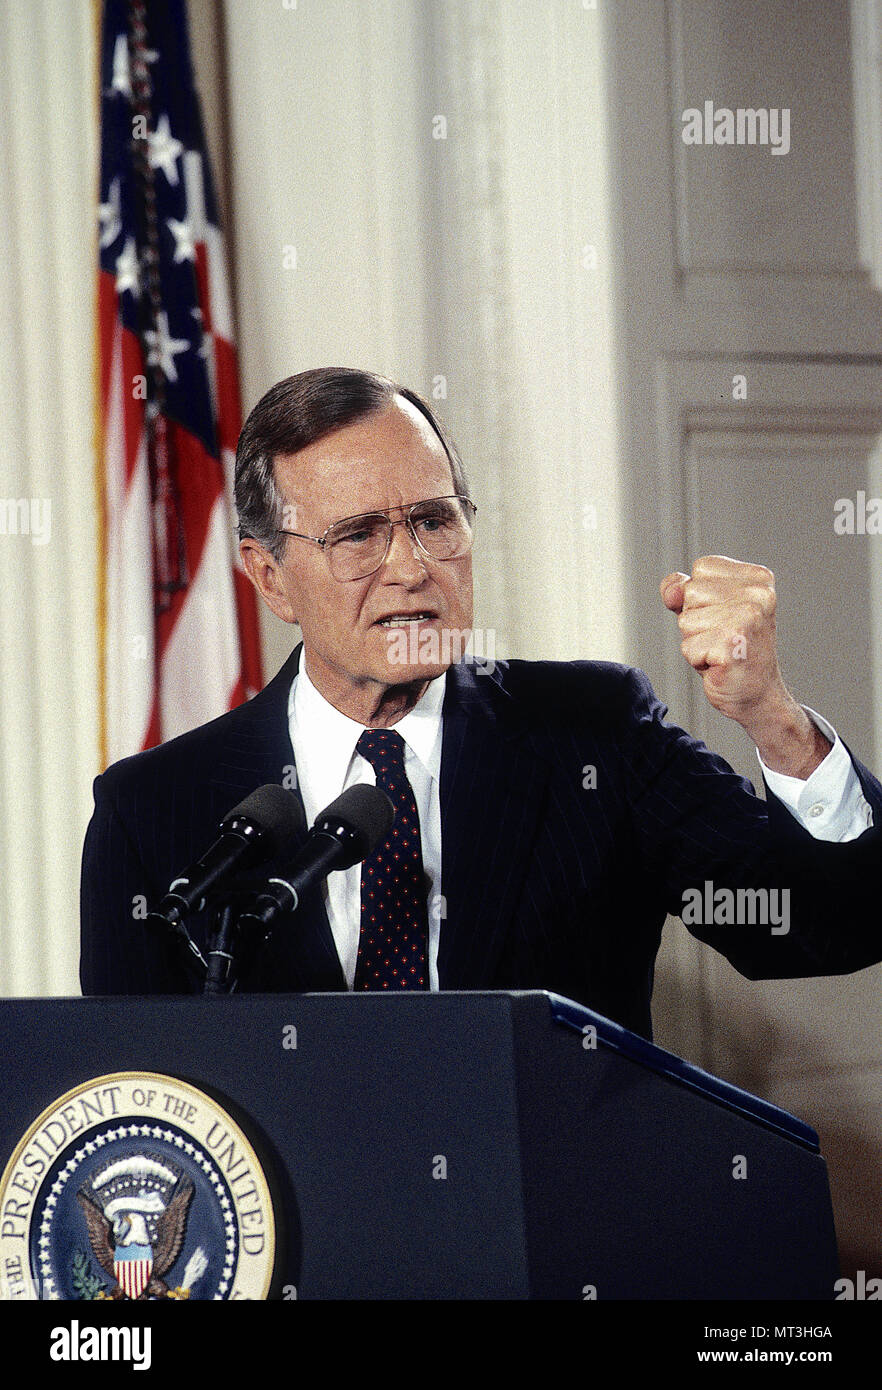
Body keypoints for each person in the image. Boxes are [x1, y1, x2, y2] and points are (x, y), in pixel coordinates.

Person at [80, 367, 882, 1037]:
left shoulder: (594, 732)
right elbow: (133, 1094)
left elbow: (820, 927)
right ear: (270, 577)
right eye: (358, 535)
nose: (411, 568)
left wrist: (771, 716)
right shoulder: (153, 812)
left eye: (434, 521)